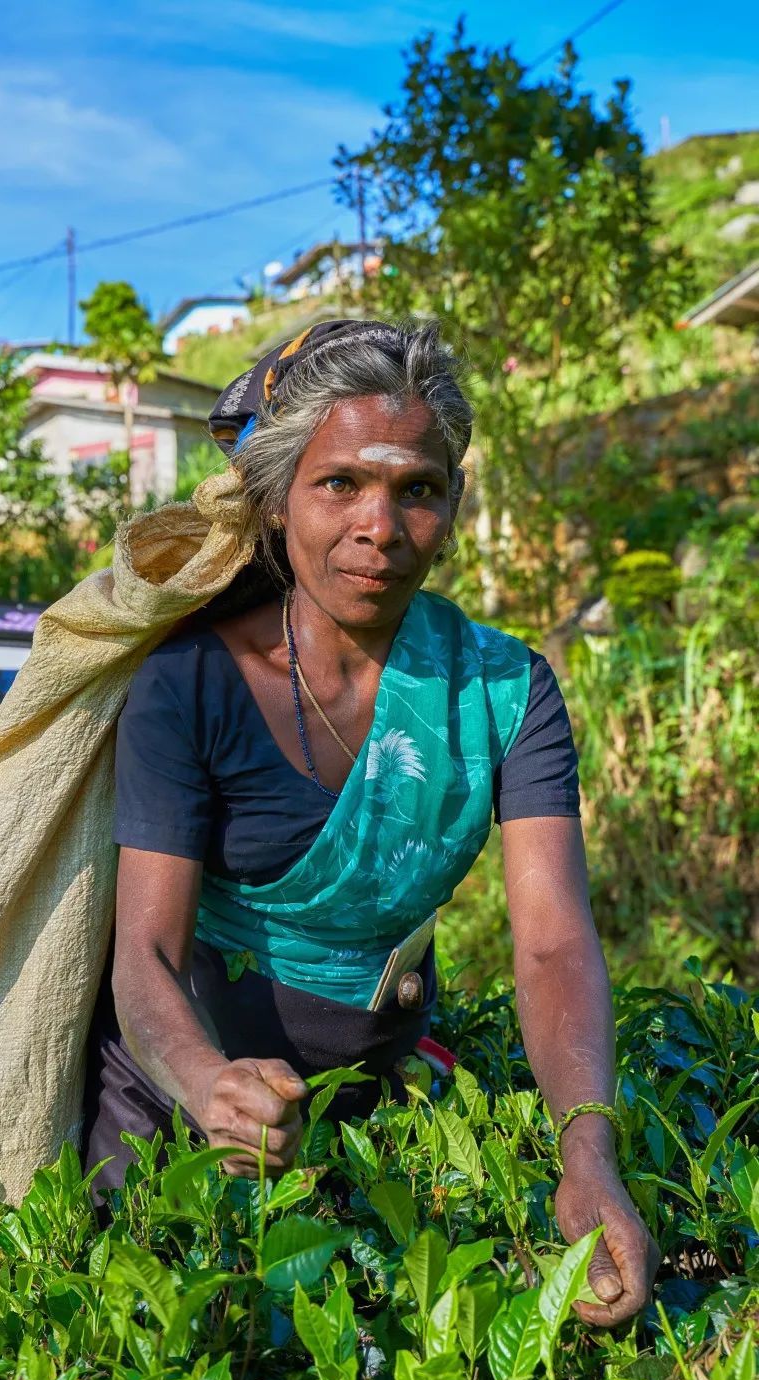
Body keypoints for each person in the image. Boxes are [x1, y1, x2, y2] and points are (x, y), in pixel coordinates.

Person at [81, 319, 658, 1326]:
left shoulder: (502, 690)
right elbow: (147, 955)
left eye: (416, 489)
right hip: (174, 1109)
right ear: (276, 499)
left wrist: (587, 1153)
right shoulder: (190, 684)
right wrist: (212, 1083)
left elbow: (555, 943)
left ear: (454, 502)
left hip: (371, 1106)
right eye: (340, 482)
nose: (380, 527)